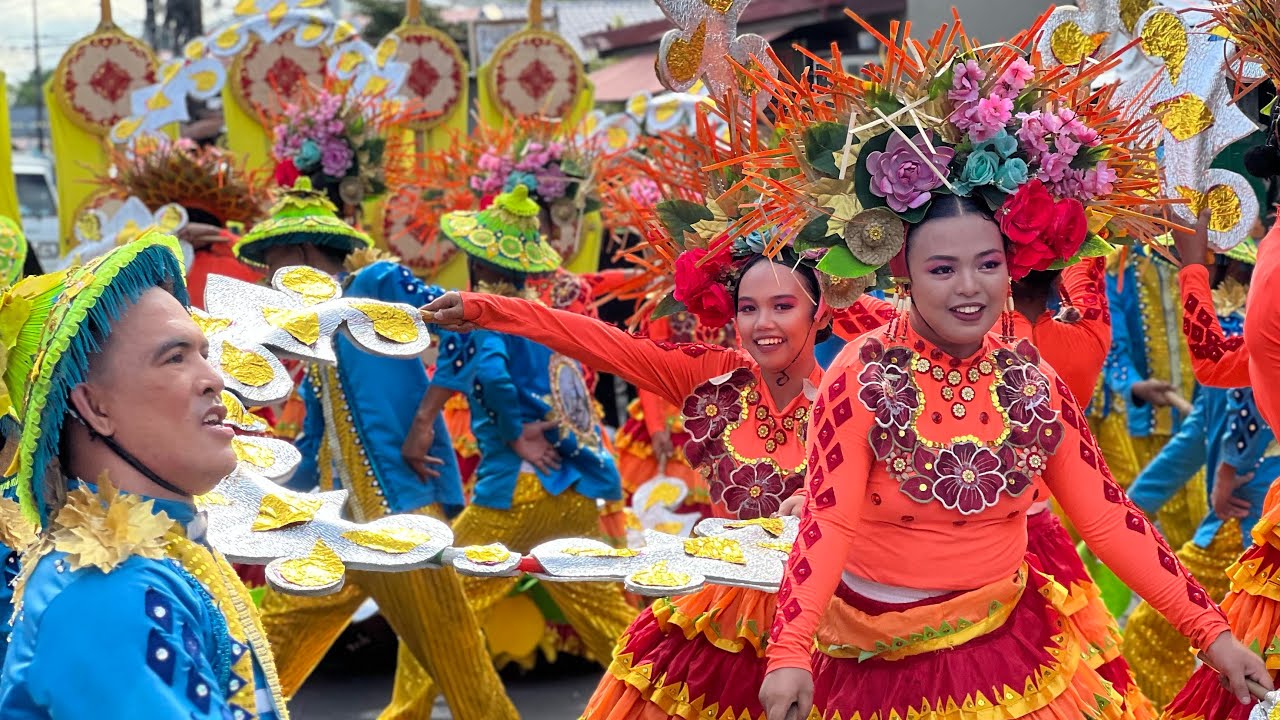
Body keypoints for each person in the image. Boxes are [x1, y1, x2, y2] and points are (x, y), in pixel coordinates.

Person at [423, 237, 837, 720]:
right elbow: (602, 343)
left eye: (783, 306)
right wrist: (485, 308)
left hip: (826, 621)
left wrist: (815, 503)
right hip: (726, 612)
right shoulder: (714, 377)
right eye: (748, 308)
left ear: (820, 314)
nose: (763, 324)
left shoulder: (850, 392)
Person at [232, 179, 518, 720]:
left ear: (303, 254)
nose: (268, 278)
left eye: (272, 262)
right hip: (328, 525)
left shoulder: (379, 282)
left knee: (458, 661)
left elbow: (466, 331)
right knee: (262, 659)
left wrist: (423, 421)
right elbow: (317, 435)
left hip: (399, 517)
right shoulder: (307, 330)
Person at [0, 234, 288, 719]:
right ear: (94, 407)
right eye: (175, 357)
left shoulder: (160, 553)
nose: (213, 377)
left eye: (203, 352)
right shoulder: (108, 594)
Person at [410, 184, 638, 681]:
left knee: (440, 604)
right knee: (606, 619)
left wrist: (513, 434)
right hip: (571, 484)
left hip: (518, 486)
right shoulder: (540, 318)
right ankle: (670, 702)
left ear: (480, 268)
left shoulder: (488, 316)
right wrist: (427, 419)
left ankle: (405, 715)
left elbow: (489, 372)